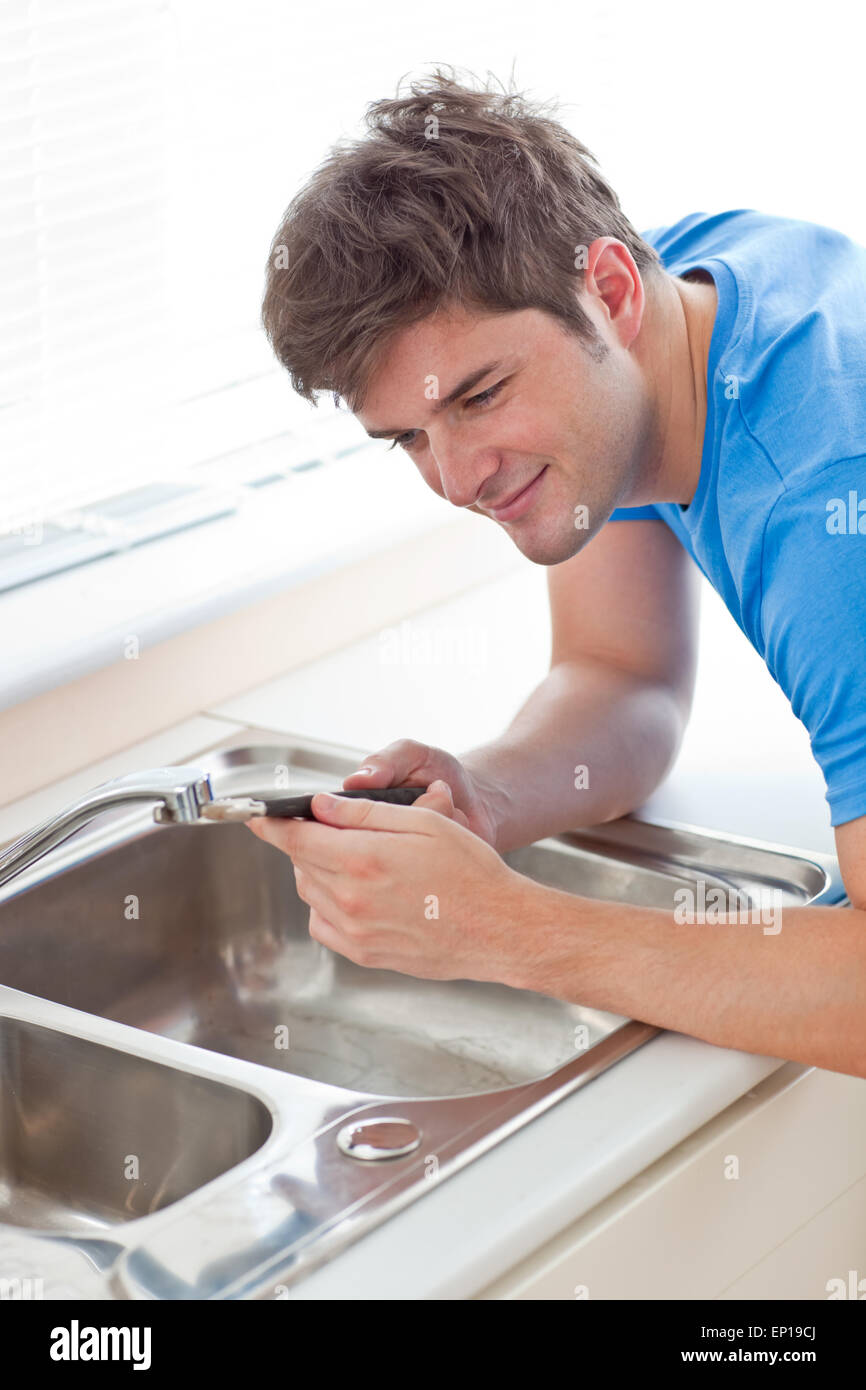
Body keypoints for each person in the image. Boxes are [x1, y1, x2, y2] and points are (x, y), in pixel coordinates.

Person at [254, 68, 866, 1079]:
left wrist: (503, 927)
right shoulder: (680, 312)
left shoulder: (822, 505)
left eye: (480, 396)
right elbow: (619, 671)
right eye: (407, 437)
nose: (455, 478)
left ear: (613, 294)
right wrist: (487, 794)